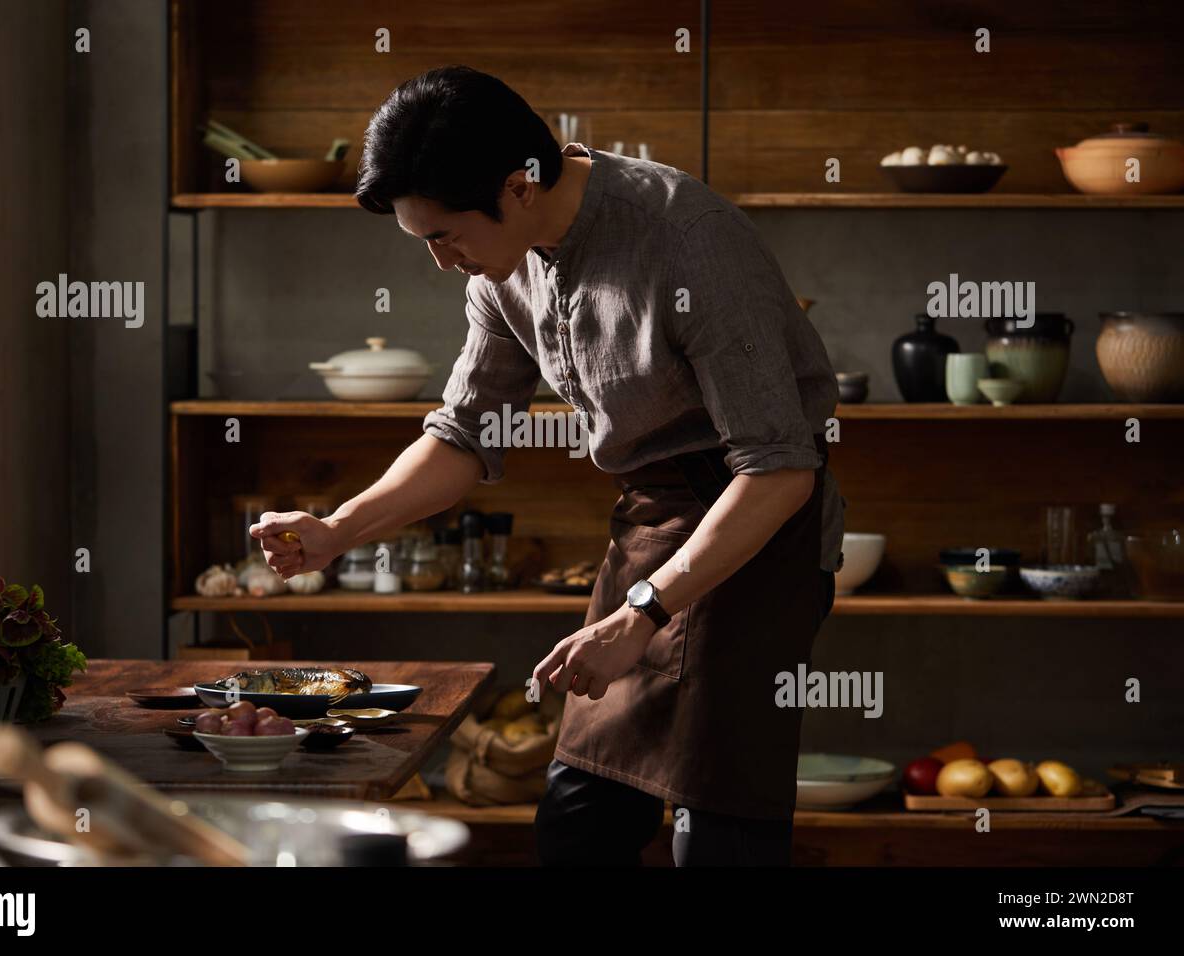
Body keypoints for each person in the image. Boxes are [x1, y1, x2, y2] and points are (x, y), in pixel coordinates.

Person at [251, 65, 844, 867]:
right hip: (650, 524)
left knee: (719, 835)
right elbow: (464, 434)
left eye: (444, 235)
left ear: (519, 186)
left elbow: (778, 471)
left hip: (757, 537)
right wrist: (336, 530)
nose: (440, 260)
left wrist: (640, 614)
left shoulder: (688, 242)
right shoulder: (502, 265)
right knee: (580, 823)